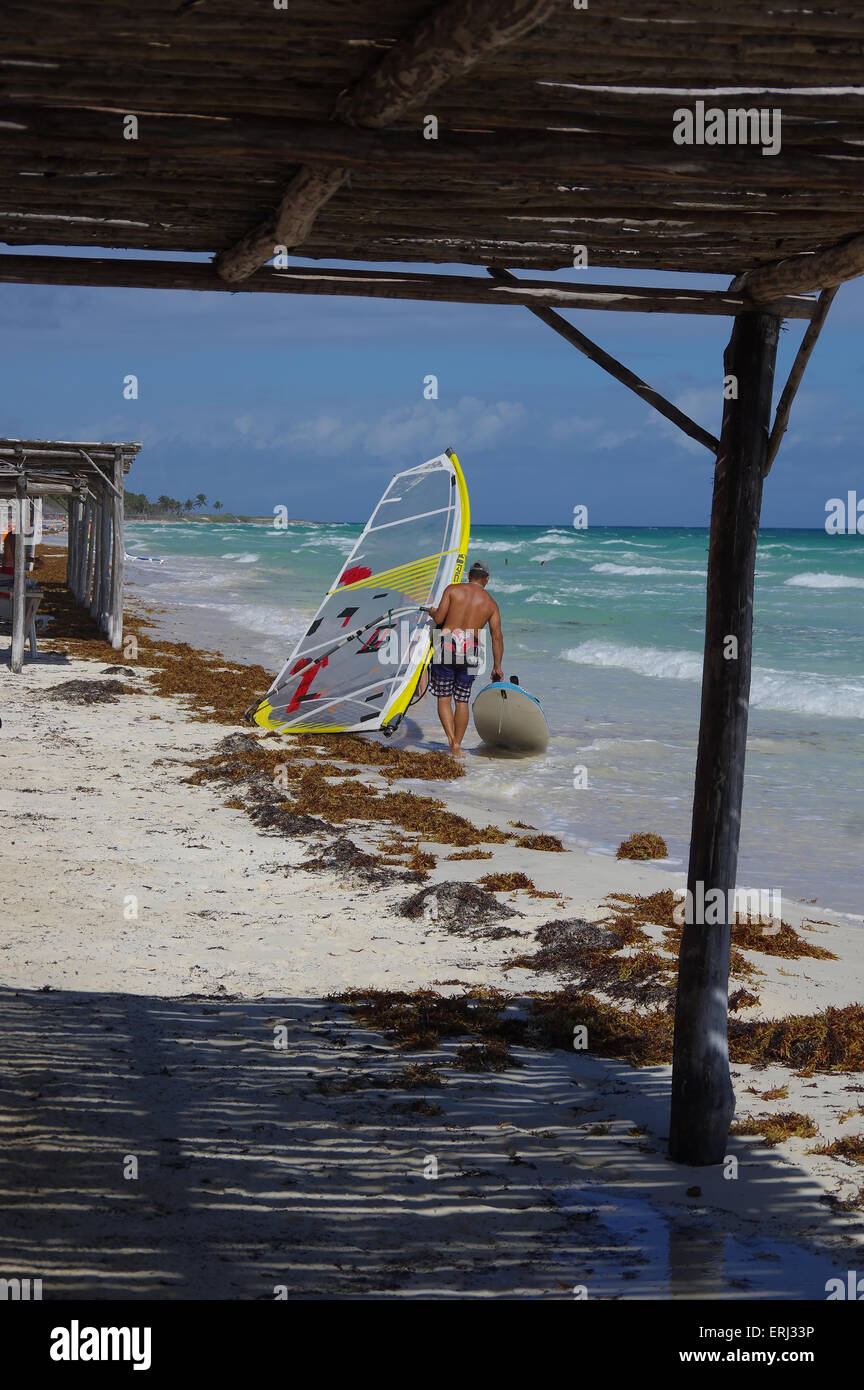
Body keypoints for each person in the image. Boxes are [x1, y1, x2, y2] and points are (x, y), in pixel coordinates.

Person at [425, 560, 503, 757]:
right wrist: (497, 666)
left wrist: (433, 612)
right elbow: (496, 637)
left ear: (469, 575)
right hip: (472, 648)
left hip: (447, 643)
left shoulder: (453, 590)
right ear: (486, 579)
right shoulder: (491, 603)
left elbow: (440, 618)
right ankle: (458, 745)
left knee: (444, 697)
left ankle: (451, 740)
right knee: (462, 700)